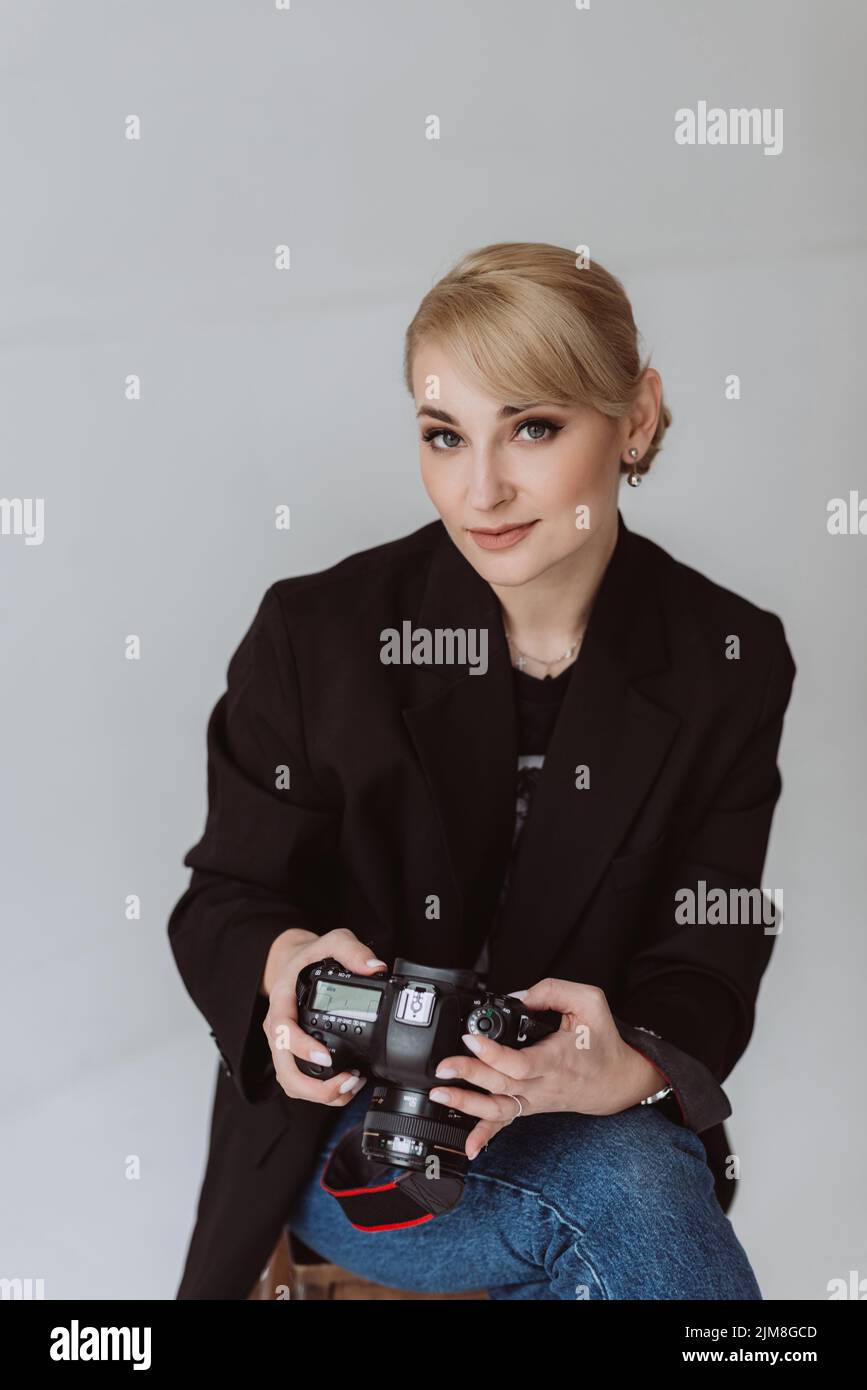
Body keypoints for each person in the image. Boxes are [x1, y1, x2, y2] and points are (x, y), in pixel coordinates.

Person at [168, 242, 796, 1300]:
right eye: (444, 436)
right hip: (358, 1148)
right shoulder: (316, 636)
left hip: (587, 1130)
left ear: (635, 417)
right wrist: (289, 969)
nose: (482, 487)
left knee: (626, 1173)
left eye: (534, 428)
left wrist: (622, 1064)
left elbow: (713, 940)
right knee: (632, 1188)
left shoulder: (726, 658)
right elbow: (225, 897)